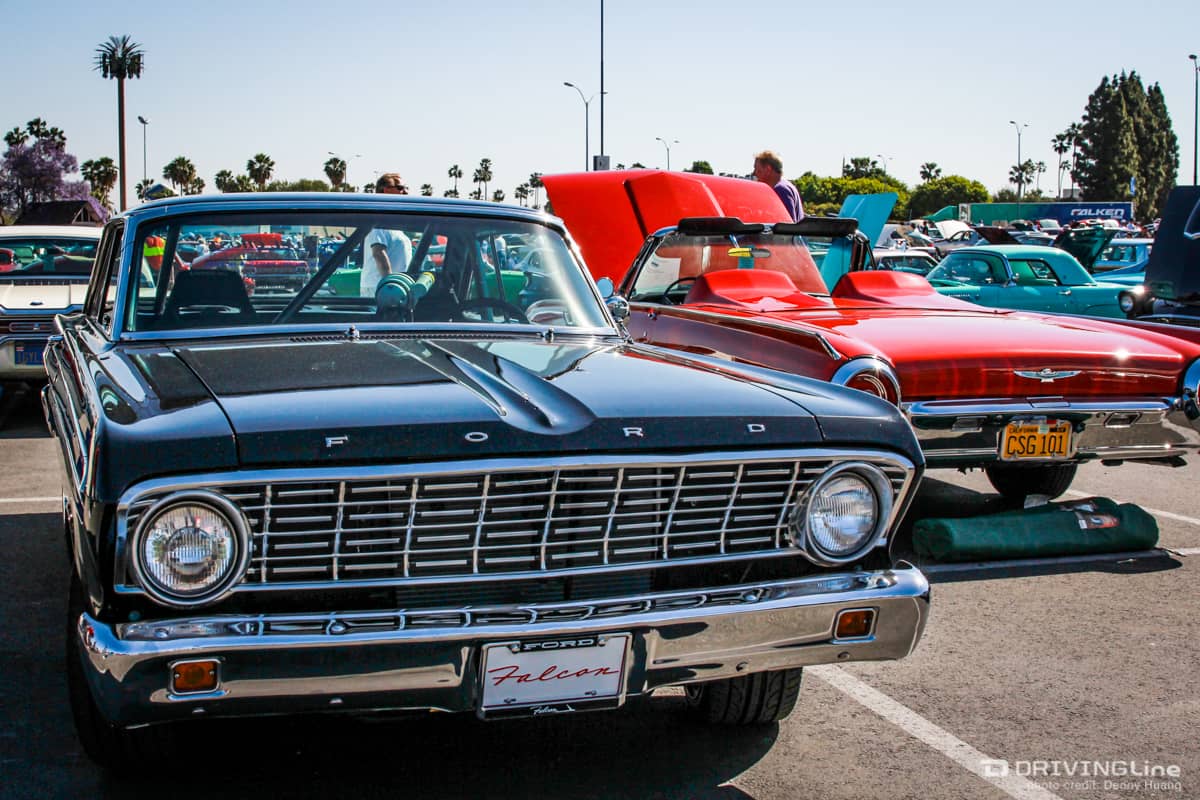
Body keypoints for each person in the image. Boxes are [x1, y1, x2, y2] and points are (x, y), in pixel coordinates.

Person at [361, 173, 413, 296]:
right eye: (400, 188)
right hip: (379, 289)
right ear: (386, 190)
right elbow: (379, 253)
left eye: (406, 188)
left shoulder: (392, 223)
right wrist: (390, 287)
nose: (405, 192)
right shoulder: (378, 221)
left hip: (394, 288)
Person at [752, 150, 804, 222]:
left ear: (768, 169)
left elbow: (787, 226)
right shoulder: (787, 186)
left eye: (757, 169)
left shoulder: (781, 190)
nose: (754, 173)